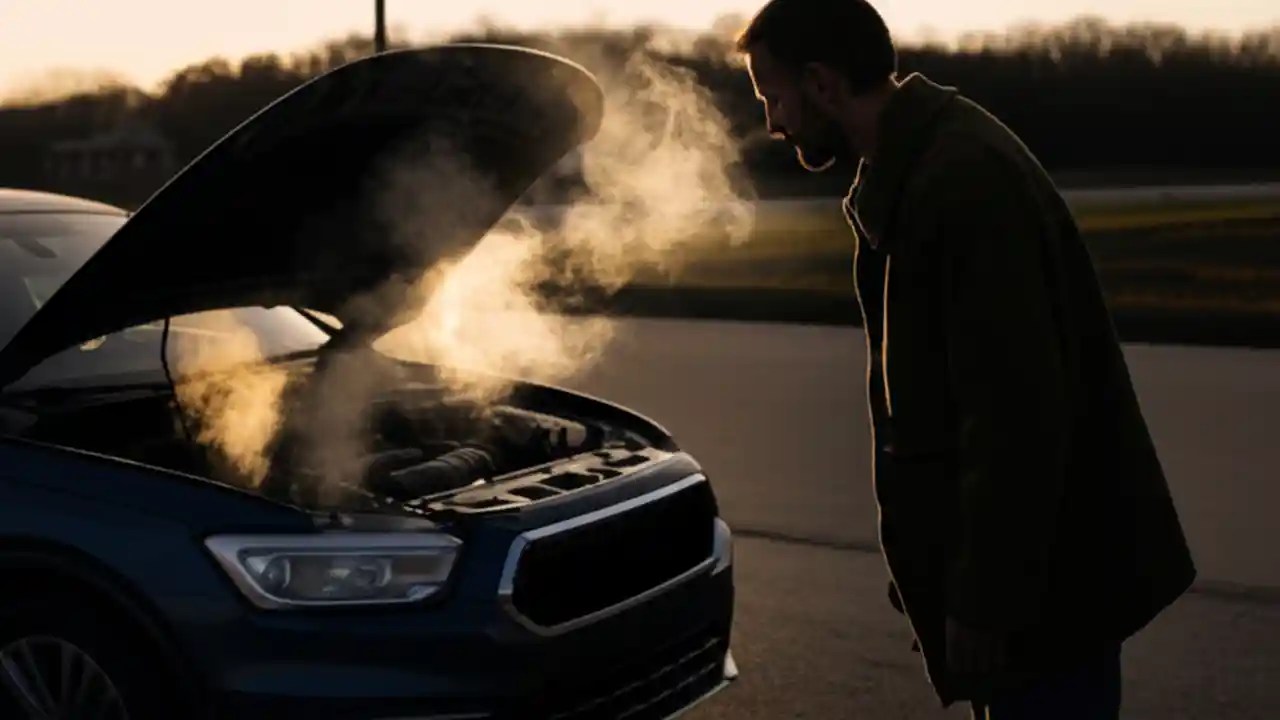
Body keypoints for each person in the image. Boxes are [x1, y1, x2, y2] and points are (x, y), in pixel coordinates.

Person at [734, 1, 1198, 717]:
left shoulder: (961, 181)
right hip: (1027, 581)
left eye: (773, 95)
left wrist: (984, 602)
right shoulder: (917, 165)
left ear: (822, 83)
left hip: (1047, 593)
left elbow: (1016, 418)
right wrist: (930, 554)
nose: (772, 121)